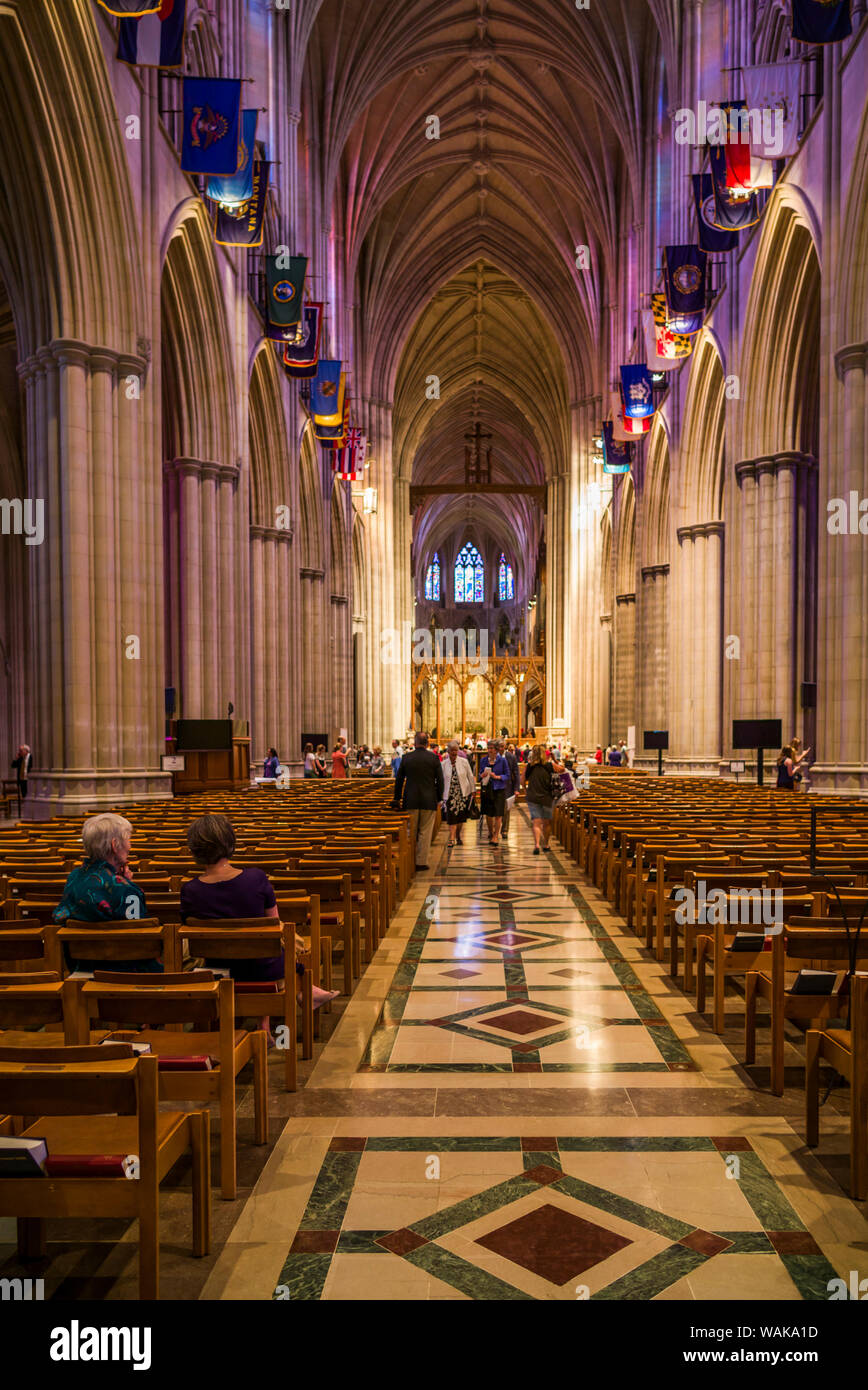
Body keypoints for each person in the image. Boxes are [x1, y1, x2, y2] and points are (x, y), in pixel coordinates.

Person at [180, 814, 337, 1033]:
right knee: (287, 942)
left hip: (216, 970)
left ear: (194, 850)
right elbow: (275, 925)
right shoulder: (255, 878)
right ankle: (298, 997)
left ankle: (274, 1014)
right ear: (230, 843)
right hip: (264, 970)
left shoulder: (190, 890)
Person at [52, 813, 156, 973]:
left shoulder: (73, 877)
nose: (130, 845)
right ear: (115, 845)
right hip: (126, 970)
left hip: (82, 966)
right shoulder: (127, 890)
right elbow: (139, 937)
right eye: (128, 839)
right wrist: (129, 884)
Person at [391, 731, 444, 869]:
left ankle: (410, 861)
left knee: (412, 831)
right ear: (427, 743)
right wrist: (439, 798)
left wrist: (397, 798)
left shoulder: (407, 758)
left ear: (415, 743)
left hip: (411, 799)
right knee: (425, 832)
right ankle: (421, 862)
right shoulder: (433, 758)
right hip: (429, 799)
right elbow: (440, 780)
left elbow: (399, 780)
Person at [441, 739, 476, 847]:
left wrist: (473, 789)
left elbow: (470, 776)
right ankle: (452, 838)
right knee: (451, 817)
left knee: (460, 817)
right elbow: (440, 779)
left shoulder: (464, 762)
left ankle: (458, 835)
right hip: (450, 793)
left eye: (455, 750)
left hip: (462, 793)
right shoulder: (443, 764)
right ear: (448, 751)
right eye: (452, 750)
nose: (454, 752)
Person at [525, 744, 558, 854]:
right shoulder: (550, 766)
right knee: (547, 822)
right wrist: (554, 760)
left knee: (536, 822)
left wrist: (526, 789)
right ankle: (546, 844)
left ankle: (537, 845)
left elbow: (522, 780)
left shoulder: (530, 766)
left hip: (533, 796)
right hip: (547, 797)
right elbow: (563, 770)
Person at [479, 739, 510, 847]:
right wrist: (482, 775)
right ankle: (491, 833)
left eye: (491, 748)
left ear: (496, 750)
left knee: (498, 814)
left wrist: (497, 777)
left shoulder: (502, 761)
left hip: (499, 789)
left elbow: (507, 775)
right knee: (489, 813)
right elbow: (479, 774)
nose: (489, 750)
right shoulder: (483, 760)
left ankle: (496, 836)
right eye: (488, 748)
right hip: (487, 789)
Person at [500, 739, 520, 840]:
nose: (500, 748)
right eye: (498, 746)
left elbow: (516, 773)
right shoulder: (492, 756)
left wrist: (516, 788)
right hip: (496, 785)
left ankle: (504, 830)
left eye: (502, 746)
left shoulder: (511, 757)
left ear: (505, 747)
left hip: (508, 786)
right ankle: (495, 830)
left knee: (506, 809)